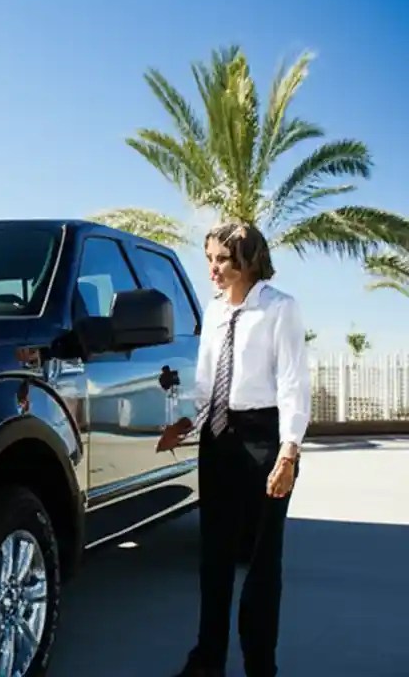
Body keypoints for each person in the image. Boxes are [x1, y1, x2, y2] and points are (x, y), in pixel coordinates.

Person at [157, 222, 309, 677]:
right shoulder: (215, 310)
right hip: (218, 439)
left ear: (248, 259)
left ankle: (261, 665)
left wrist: (288, 453)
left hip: (265, 437)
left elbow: (293, 383)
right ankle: (207, 659)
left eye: (222, 259)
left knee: (262, 561)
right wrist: (188, 424)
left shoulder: (280, 308)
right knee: (214, 555)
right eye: (209, 259)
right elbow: (208, 385)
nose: (213, 269)